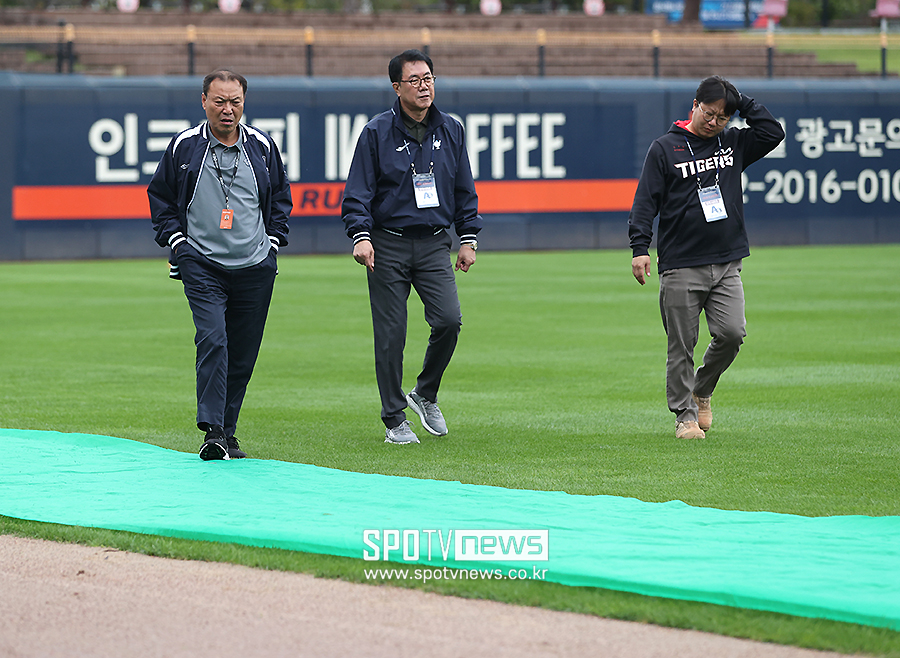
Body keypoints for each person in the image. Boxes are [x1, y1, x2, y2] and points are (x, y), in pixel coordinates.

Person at [628, 76, 784, 440]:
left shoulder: (732, 143)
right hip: (681, 262)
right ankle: (684, 416)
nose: (714, 122)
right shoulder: (665, 148)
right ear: (695, 105)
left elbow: (772, 132)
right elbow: (645, 202)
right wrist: (639, 248)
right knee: (681, 344)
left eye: (722, 117)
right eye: (709, 113)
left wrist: (739, 100)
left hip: (727, 260)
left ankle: (701, 390)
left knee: (732, 334)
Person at [148, 69, 292, 460]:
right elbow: (160, 197)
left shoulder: (262, 146)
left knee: (243, 353)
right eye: (220, 101)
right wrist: (177, 243)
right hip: (202, 263)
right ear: (204, 101)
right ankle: (212, 431)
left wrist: (273, 245)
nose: (228, 110)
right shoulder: (184, 145)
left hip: (255, 265)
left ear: (244, 103)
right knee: (213, 339)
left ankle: (228, 431)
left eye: (235, 102)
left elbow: (280, 197)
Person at [341, 49, 482, 445]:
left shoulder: (451, 129)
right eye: (415, 80)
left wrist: (468, 237)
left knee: (449, 321)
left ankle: (425, 393)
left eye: (429, 78)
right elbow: (357, 193)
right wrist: (361, 236)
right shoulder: (376, 133)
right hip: (387, 245)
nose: (424, 85)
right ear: (396, 87)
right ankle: (393, 419)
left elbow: (463, 189)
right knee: (391, 335)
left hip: (435, 243)